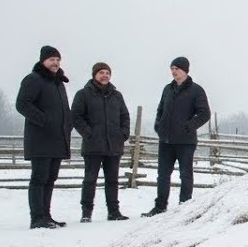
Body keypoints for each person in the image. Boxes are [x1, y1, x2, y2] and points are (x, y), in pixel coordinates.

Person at [143, 56, 210, 217]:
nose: (173, 72)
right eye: (172, 69)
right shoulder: (167, 89)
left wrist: (188, 126)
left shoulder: (196, 90)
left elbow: (204, 113)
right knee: (163, 174)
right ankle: (160, 206)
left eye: (176, 69)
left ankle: (184, 206)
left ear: (185, 70)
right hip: (166, 140)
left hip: (185, 141)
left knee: (185, 174)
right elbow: (160, 110)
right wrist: (158, 126)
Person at [15, 45, 72, 229]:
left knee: (50, 178)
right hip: (40, 138)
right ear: (43, 61)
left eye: (57, 60)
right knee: (39, 178)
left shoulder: (58, 83)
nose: (55, 63)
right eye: (51, 59)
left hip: (57, 139)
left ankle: (46, 215)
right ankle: (37, 218)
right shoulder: (33, 79)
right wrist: (44, 120)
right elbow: (22, 104)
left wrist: (67, 125)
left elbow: (64, 110)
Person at [71, 62, 131, 222]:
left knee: (112, 180)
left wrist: (123, 133)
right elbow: (76, 117)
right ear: (94, 75)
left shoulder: (117, 96)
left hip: (114, 146)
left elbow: (125, 116)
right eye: (101, 72)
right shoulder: (83, 94)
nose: (105, 75)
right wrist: (89, 134)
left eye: (107, 73)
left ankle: (114, 212)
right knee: (90, 180)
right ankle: (86, 213)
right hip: (93, 146)